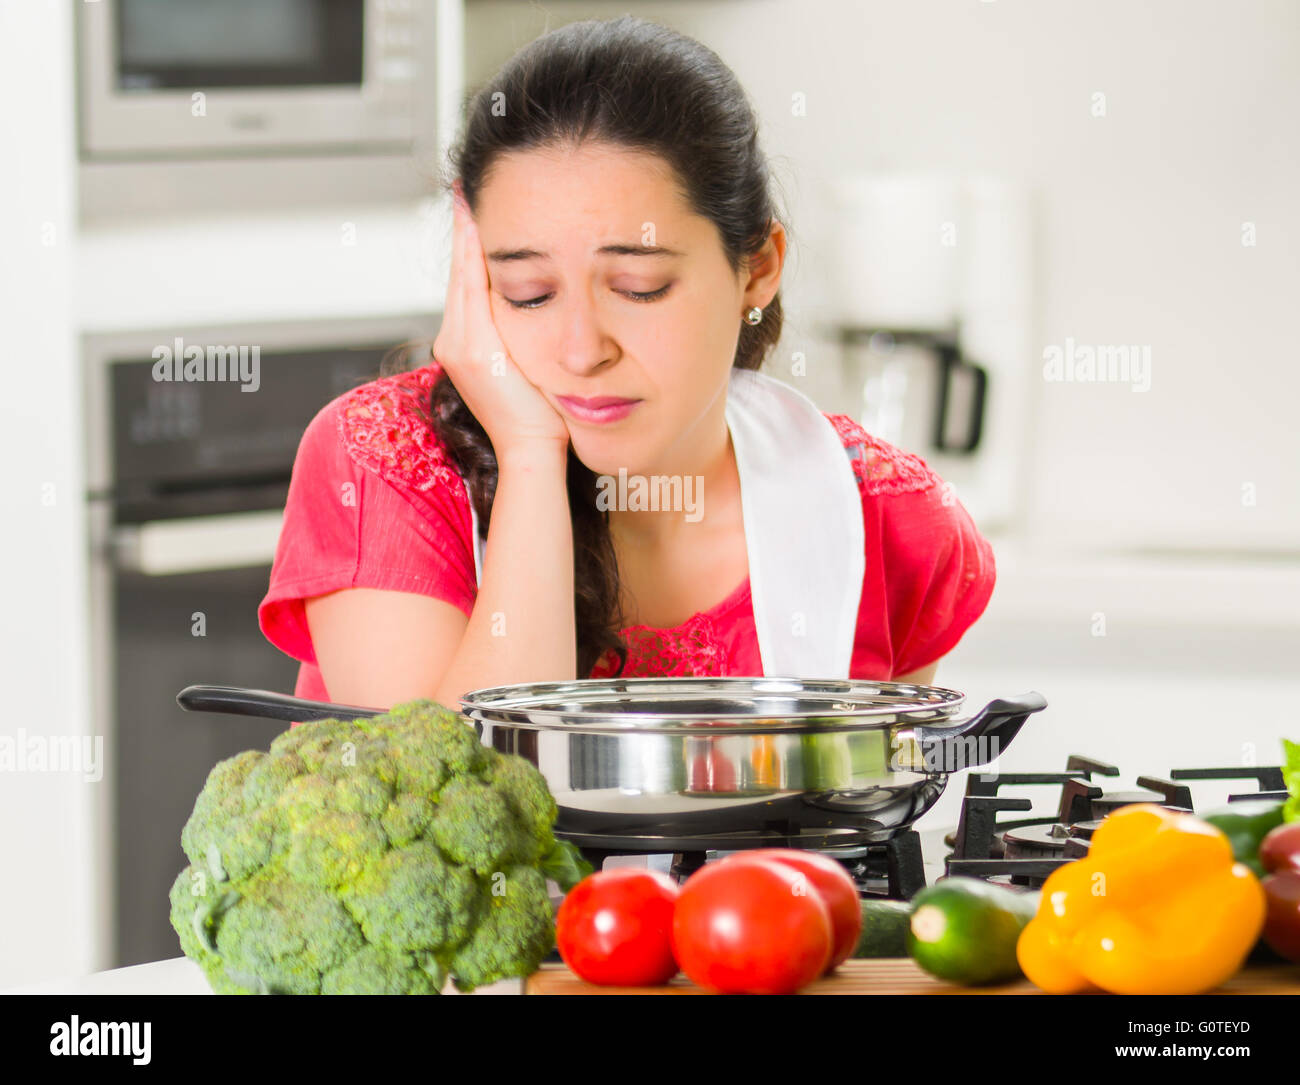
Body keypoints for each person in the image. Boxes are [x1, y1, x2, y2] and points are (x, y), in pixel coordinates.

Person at [258, 15, 996, 716]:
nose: (582, 351)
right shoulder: (380, 466)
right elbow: (457, 815)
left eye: (640, 287)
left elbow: (851, 831)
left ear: (757, 267)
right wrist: (530, 458)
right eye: (529, 292)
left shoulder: (882, 521)